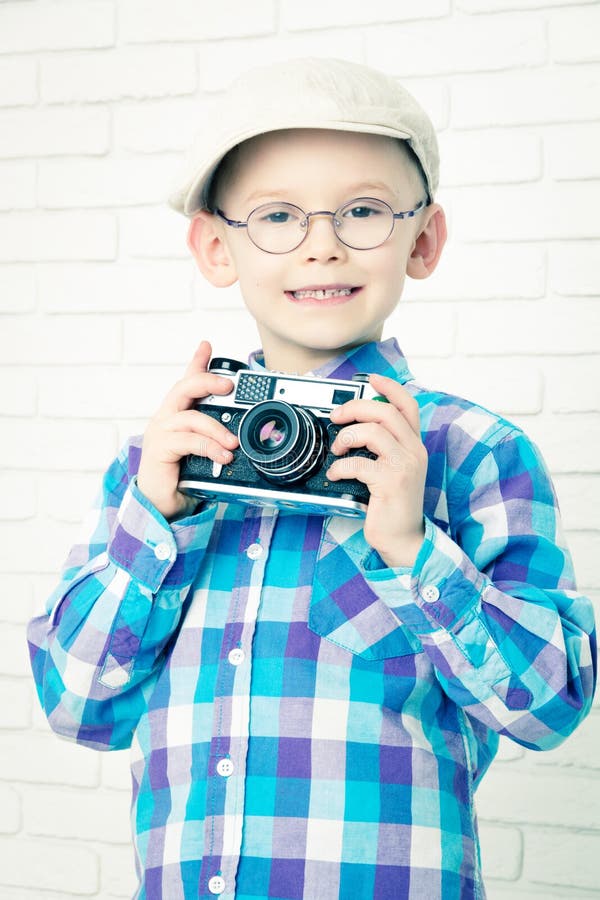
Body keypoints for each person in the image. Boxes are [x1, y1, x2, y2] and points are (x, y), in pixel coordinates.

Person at [28, 58, 596, 900]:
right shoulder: (163, 461)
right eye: (277, 216)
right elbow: (80, 708)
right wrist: (156, 520)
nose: (321, 243)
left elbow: (549, 709)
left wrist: (409, 545)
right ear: (215, 248)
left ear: (425, 239)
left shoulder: (473, 450)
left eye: (363, 210)